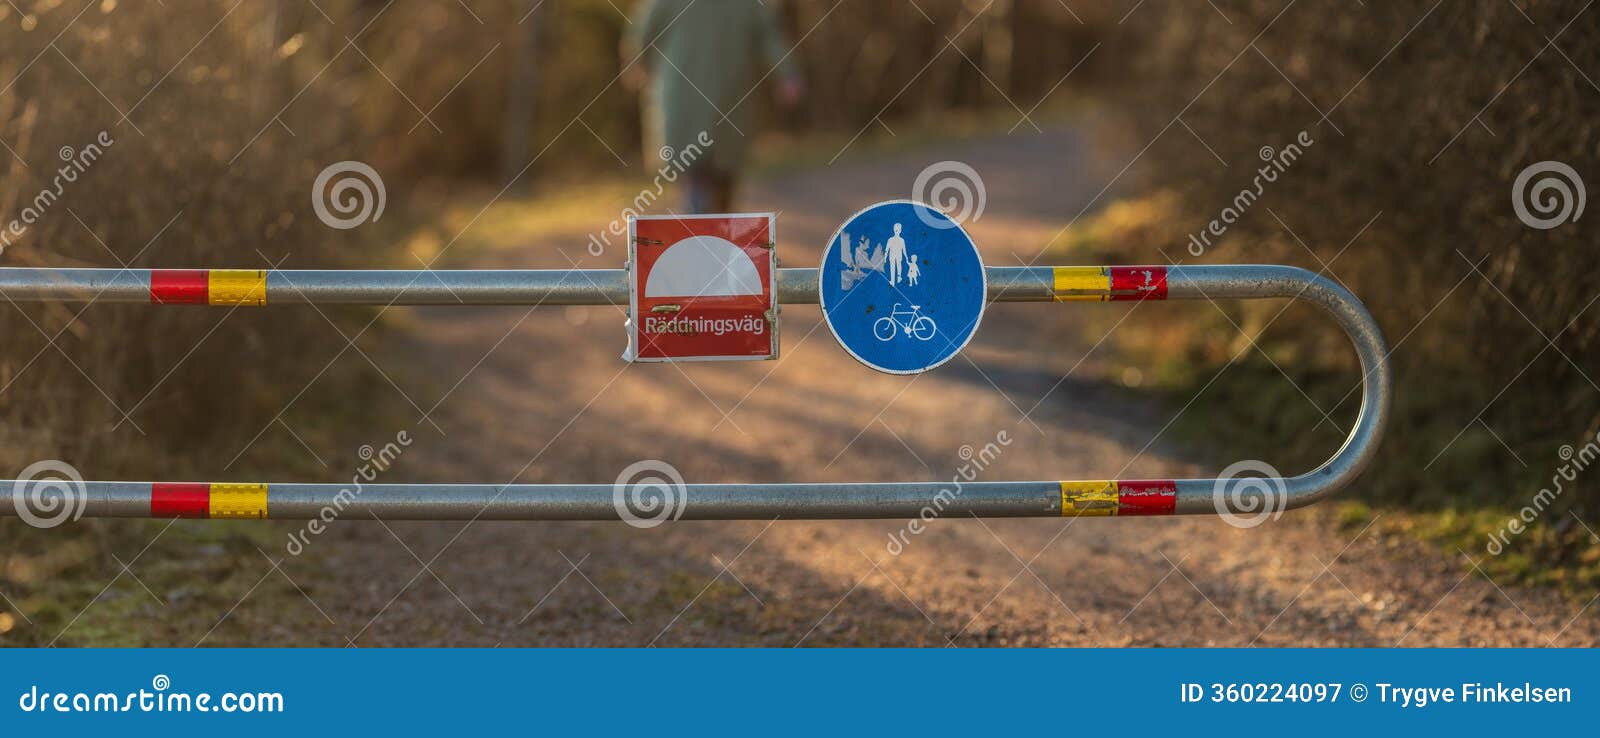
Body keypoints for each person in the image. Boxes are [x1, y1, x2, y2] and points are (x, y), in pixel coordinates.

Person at [622, 0, 805, 213]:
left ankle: (704, 230)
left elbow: (641, 35)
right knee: (709, 180)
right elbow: (770, 38)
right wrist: (787, 74)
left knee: (704, 178)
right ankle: (710, 231)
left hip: (691, 104)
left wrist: (635, 65)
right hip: (721, 104)